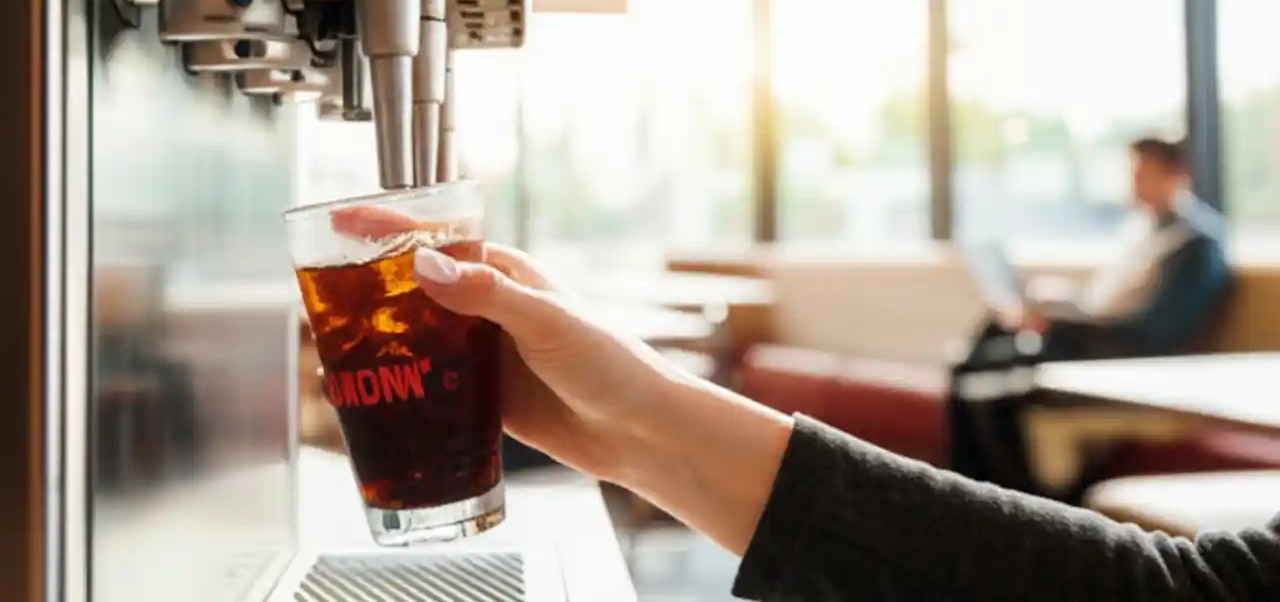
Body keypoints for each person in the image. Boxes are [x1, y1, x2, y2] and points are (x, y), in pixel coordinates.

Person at [403, 238, 1277, 601]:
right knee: (987, 382)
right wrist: (638, 432)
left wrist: (646, 422)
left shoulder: (1191, 244)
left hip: (1117, 376)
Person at [950, 137, 1233, 492]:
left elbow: (1154, 332)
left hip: (1123, 366)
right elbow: (1107, 302)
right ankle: (966, 496)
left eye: (1144, 175)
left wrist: (1062, 322)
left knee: (992, 393)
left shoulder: (1196, 246)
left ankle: (1018, 506)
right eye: (1133, 175)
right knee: (976, 358)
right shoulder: (1141, 232)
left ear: (1177, 175)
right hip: (1091, 346)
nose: (1134, 186)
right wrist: (1063, 300)